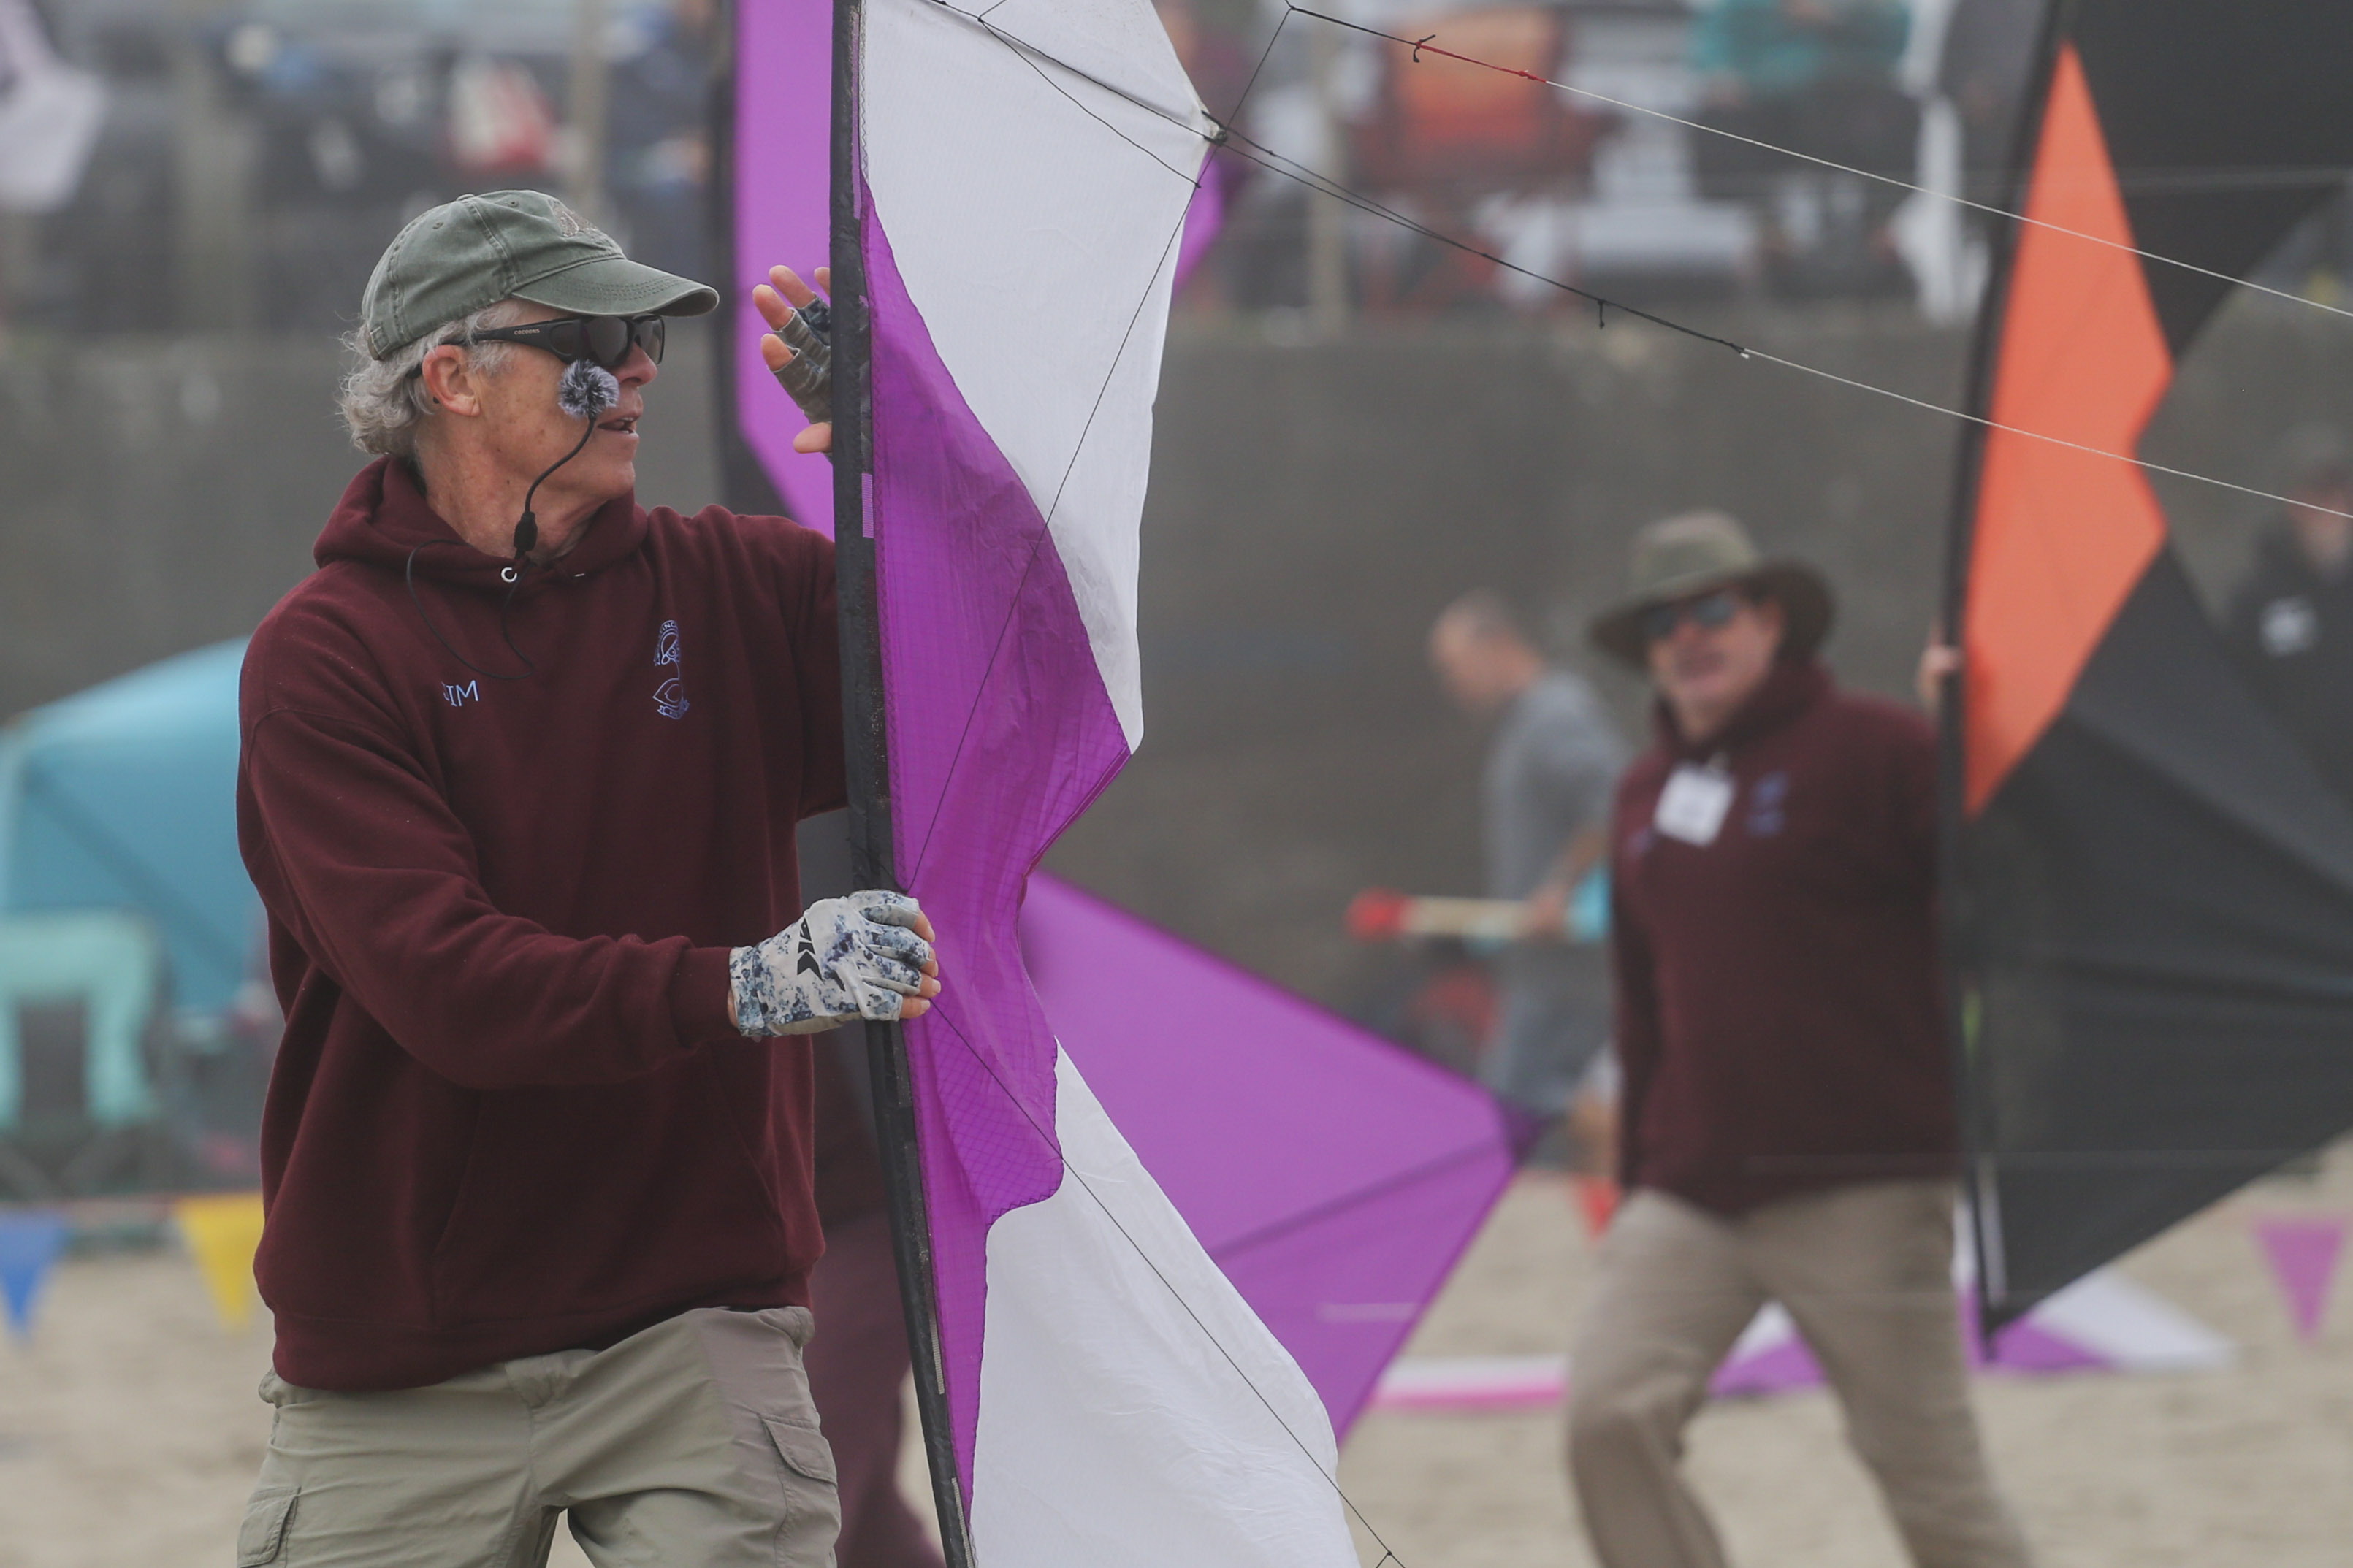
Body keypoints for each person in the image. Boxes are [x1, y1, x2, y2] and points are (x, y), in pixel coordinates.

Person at [232, 189, 940, 1568]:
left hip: (696, 1320)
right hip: (400, 1355)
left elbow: (1005, 682)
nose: (637, 372)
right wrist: (747, 982)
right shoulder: (324, 656)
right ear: (449, 375)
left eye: (645, 338)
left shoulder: (734, 587)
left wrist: (907, 457)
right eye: (590, 337)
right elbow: (450, 988)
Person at [1567, 510, 2032, 1568]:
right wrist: (1638, 1175)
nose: (1689, 634)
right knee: (1605, 1414)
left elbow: (1996, 883)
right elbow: (1641, 1009)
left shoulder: (1877, 746)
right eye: (1662, 622)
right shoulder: (1641, 791)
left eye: (1713, 608)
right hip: (1689, 1193)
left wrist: (1969, 734)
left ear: (1771, 619)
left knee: (1934, 1489)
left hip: (1863, 1183)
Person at [1427, 590, 1626, 1147]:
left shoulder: (1553, 716)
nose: (1452, 683)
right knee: (1543, 1122)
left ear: (1497, 645)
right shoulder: (1526, 724)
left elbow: (1613, 803)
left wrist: (1561, 889)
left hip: (1567, 978)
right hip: (1541, 976)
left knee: (1513, 1117)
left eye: (1454, 665)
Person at [2224, 425, 2353, 798]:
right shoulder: (2259, 602)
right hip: (2301, 798)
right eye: (2312, 495)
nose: (2324, 510)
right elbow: (2239, 699)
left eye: (2332, 494)